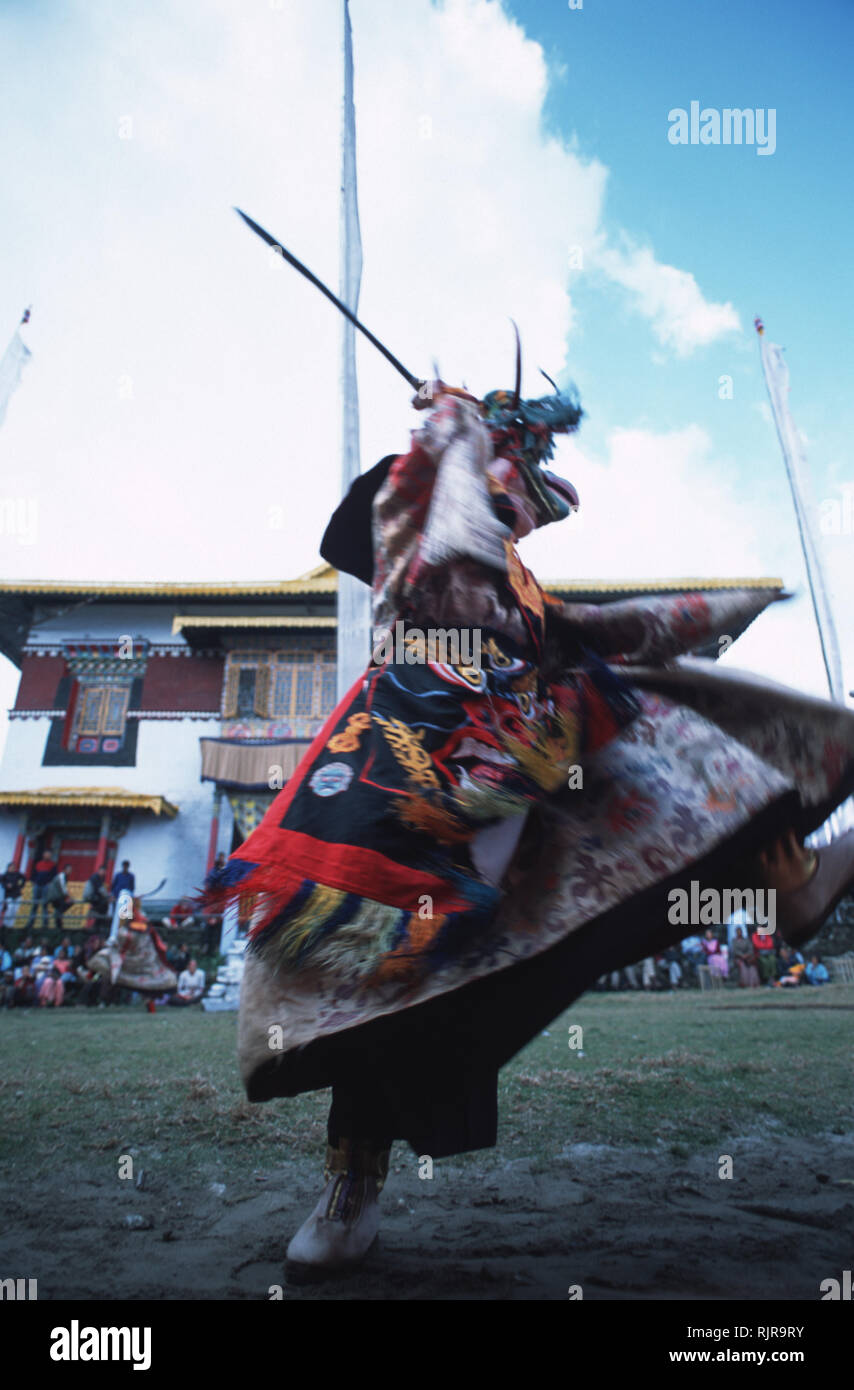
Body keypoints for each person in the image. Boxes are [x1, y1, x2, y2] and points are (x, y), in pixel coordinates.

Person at [204, 376, 854, 1281]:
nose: (522, 497)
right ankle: (352, 1181)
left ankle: (785, 885)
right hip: (394, 773)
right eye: (511, 470)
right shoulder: (412, 515)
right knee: (370, 981)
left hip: (515, 767)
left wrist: (724, 605)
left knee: (648, 796)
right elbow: (457, 545)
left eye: (524, 479)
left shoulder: (522, 590)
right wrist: (460, 429)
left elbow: (609, 630)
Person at [88, 896, 177, 999]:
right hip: (131, 959)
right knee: (103, 959)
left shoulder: (134, 930)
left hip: (140, 961)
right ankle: (92, 980)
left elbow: (127, 941)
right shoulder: (129, 929)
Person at [26, 852, 57, 930]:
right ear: (43, 855)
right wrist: (33, 881)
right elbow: (34, 874)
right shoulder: (38, 864)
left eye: (49, 854)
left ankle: (45, 923)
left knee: (44, 905)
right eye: (46, 854)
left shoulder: (52, 865)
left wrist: (49, 884)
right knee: (34, 905)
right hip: (37, 885)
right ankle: (31, 922)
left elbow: (54, 876)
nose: (47, 856)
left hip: (46, 886)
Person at [1, 862, 26, 927]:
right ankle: (5, 924)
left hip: (17, 894)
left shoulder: (17, 874)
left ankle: (10, 925)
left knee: (15, 910)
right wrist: (7, 885)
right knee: (9, 909)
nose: (12, 869)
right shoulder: (4, 875)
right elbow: (3, 884)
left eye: (13, 868)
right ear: (8, 868)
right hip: (9, 895)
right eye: (11, 867)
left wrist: (21, 886)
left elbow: (24, 879)